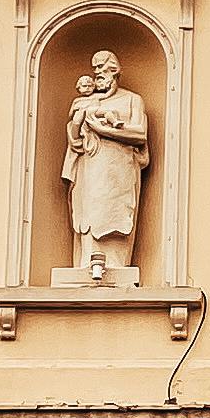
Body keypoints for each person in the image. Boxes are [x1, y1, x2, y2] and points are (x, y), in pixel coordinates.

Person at [61, 50, 152, 284]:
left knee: (113, 216)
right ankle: (87, 266)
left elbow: (139, 133)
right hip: (89, 166)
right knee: (87, 215)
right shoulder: (87, 102)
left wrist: (102, 130)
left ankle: (115, 267)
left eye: (102, 67)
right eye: (95, 69)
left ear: (114, 70)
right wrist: (77, 125)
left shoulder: (131, 99)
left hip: (118, 170)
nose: (97, 73)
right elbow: (74, 138)